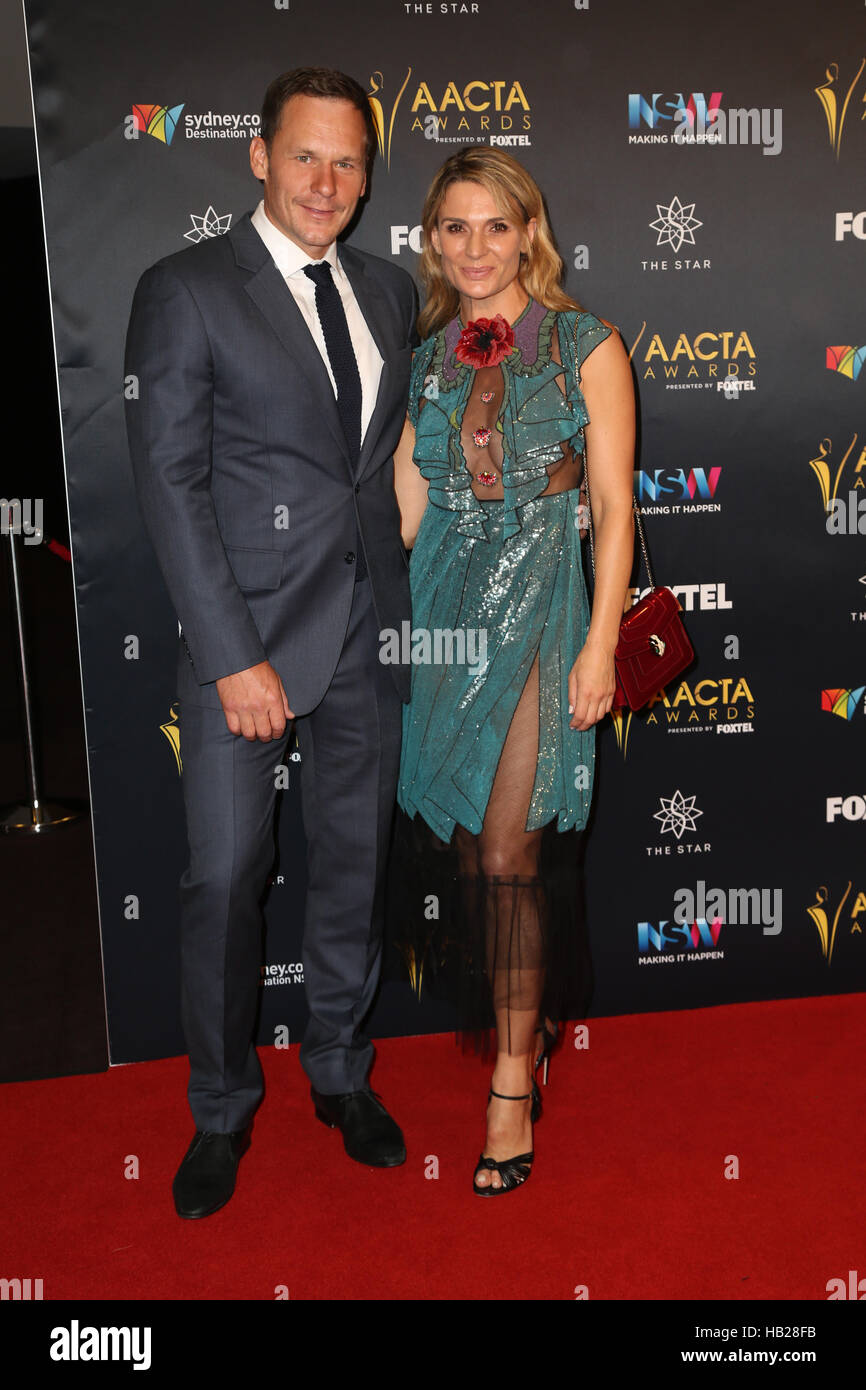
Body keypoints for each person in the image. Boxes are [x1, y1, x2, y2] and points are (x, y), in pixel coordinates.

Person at [124, 67, 418, 1219]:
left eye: (347, 162)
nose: (325, 183)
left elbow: (377, 468)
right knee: (224, 876)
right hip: (241, 641)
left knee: (354, 863)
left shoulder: (388, 290)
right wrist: (231, 655)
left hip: (367, 631)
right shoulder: (185, 290)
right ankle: (219, 1107)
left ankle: (339, 1069)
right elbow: (171, 483)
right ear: (258, 157)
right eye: (304, 156)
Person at [390, 147, 635, 1195]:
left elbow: (614, 507)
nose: (476, 247)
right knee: (465, 851)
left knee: (507, 852)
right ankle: (515, 1032)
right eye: (456, 227)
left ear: (529, 232)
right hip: (442, 614)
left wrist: (600, 643)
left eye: (496, 225)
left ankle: (508, 1084)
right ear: (433, 240)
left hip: (542, 610)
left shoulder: (586, 344)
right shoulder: (423, 360)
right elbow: (404, 514)